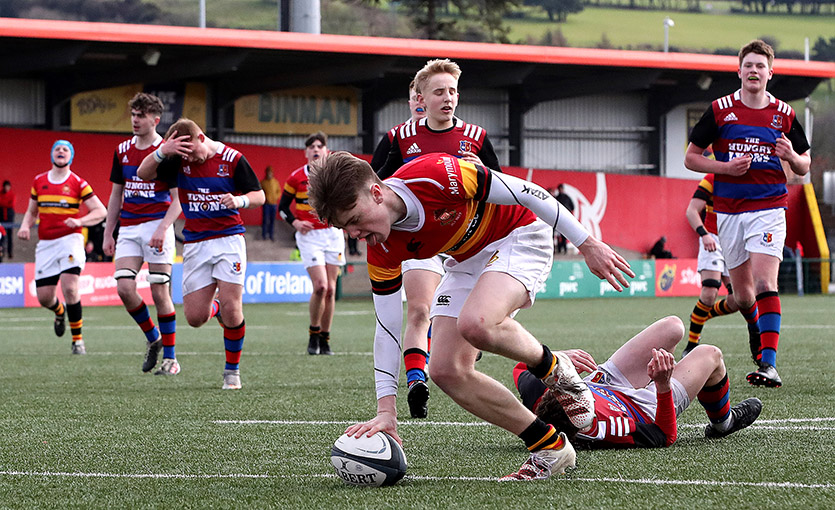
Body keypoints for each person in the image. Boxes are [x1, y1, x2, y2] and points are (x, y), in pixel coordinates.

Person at [308, 151, 634, 481]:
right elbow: (388, 329)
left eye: (353, 219)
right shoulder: (381, 248)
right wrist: (386, 411)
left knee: (476, 323)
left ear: (376, 193)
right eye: (343, 227)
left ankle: (556, 370)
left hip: (520, 233)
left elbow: (529, 192)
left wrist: (587, 242)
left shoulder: (436, 175)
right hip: (467, 259)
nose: (352, 234)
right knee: (445, 369)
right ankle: (548, 447)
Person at [371, 59, 504, 419]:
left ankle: (466, 347)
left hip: (470, 243)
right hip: (420, 238)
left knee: (475, 321)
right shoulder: (399, 138)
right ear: (421, 98)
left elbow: (500, 188)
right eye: (440, 92)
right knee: (419, 309)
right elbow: (374, 189)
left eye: (453, 92)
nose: (448, 98)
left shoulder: (475, 137)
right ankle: (417, 381)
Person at [684, 39, 811, 388]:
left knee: (764, 283)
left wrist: (791, 156)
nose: (754, 71)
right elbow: (691, 158)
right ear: (738, 70)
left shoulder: (784, 114)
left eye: (760, 66)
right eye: (748, 65)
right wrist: (724, 167)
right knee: (743, 296)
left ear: (771, 73)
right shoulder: (720, 110)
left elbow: (804, 164)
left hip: (769, 207)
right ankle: (748, 326)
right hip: (728, 211)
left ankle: (768, 363)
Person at [137, 118, 264, 390]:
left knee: (233, 307)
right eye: (185, 154)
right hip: (195, 244)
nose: (191, 159)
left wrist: (240, 200)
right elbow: (143, 173)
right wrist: (162, 151)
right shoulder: (178, 158)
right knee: (195, 318)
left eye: (193, 152)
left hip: (229, 239)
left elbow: (259, 195)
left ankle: (232, 371)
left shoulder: (232, 159)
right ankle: (216, 308)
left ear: (201, 138)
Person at [513, 316, 763, 450]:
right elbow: (665, 435)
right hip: (645, 406)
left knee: (673, 327)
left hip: (607, 380)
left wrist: (560, 355)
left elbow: (520, 366)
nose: (576, 383)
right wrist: (663, 385)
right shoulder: (607, 429)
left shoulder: (539, 397)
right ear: (586, 419)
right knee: (711, 354)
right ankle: (724, 423)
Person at [103, 92, 182, 376]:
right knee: (124, 288)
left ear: (155, 120)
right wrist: (108, 232)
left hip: (157, 224)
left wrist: (163, 228)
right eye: (133, 115)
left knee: (160, 290)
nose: (135, 120)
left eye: (141, 116)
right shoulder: (122, 150)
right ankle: (153, 338)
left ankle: (171, 359)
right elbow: (116, 194)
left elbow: (179, 199)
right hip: (129, 226)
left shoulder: (168, 151)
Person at [17, 140, 107, 354]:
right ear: (52, 154)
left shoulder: (78, 183)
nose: (61, 151)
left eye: (65, 149)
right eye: (57, 148)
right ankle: (59, 311)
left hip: (70, 240)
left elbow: (100, 211)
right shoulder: (39, 181)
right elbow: (31, 211)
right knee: (44, 297)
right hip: (46, 243)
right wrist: (24, 226)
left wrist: (80, 222)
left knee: (70, 287)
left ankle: (78, 341)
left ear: (71, 156)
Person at [278, 131, 345, 356]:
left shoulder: (333, 176)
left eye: (320, 146)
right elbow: (282, 208)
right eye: (312, 146)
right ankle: (313, 333)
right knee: (321, 286)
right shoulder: (296, 177)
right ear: (306, 152)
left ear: (327, 151)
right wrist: (295, 222)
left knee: (331, 289)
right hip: (309, 238)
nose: (316, 149)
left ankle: (325, 339)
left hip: (332, 234)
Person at [683, 174, 760, 359]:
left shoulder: (753, 179)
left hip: (737, 242)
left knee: (740, 300)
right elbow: (691, 211)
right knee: (709, 293)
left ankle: (702, 315)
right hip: (713, 239)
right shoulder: (712, 178)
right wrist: (704, 234)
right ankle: (691, 346)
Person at [553, 184, 575, 254]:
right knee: (558, 235)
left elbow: (572, 206)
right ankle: (559, 249)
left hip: (565, 219)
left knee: (564, 234)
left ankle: (565, 249)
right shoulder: (557, 198)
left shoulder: (567, 197)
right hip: (557, 219)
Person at [260, 166, 279, 241]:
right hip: (266, 204)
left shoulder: (275, 182)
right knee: (265, 219)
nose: (269, 174)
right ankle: (264, 235)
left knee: (272, 220)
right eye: (268, 172)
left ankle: (271, 235)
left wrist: (276, 197)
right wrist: (265, 198)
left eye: (270, 172)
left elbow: (279, 191)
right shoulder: (263, 182)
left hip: (274, 204)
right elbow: (260, 192)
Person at [0, 180, 15, 258]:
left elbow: (11, 204)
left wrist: (3, 204)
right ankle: (1, 251)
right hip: (1, 217)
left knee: (9, 235)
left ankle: (10, 252)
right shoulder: (1, 194)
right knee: (1, 235)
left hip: (9, 217)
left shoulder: (11, 195)